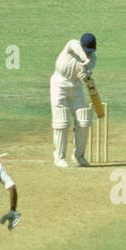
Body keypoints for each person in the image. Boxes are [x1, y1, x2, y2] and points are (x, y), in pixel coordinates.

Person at [49, 32, 98, 167]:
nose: (88, 54)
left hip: (75, 87)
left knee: (84, 119)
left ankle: (79, 156)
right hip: (59, 83)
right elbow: (73, 45)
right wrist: (83, 58)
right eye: (86, 51)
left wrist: (85, 75)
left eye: (90, 52)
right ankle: (59, 157)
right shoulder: (72, 45)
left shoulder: (93, 59)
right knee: (62, 121)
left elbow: (87, 76)